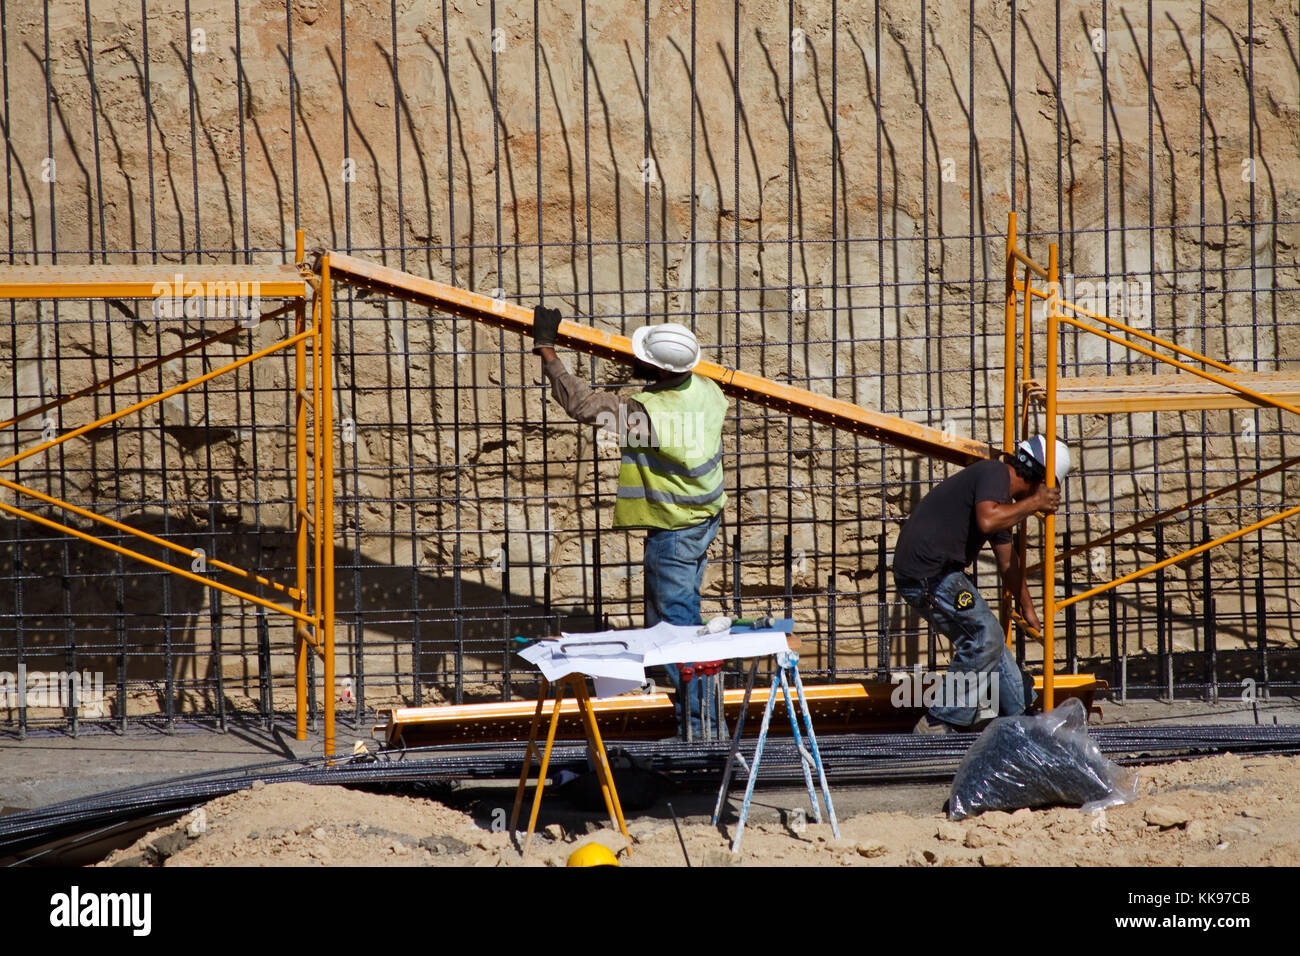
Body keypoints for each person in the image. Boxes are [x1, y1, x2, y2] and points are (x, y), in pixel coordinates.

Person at [531, 305, 729, 737]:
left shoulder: (648, 415)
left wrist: (547, 349)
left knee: (677, 633)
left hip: (674, 529)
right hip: (703, 518)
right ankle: (698, 720)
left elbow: (583, 405)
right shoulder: (709, 390)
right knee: (672, 622)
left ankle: (701, 731)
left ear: (655, 370)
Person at [891, 435, 1069, 733]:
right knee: (983, 637)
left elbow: (1007, 561)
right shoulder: (993, 473)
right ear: (1040, 478)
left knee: (992, 636)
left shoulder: (1000, 501)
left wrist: (1029, 609)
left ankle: (1020, 713)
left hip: (939, 574)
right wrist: (1035, 503)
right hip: (927, 574)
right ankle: (939, 720)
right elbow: (987, 521)